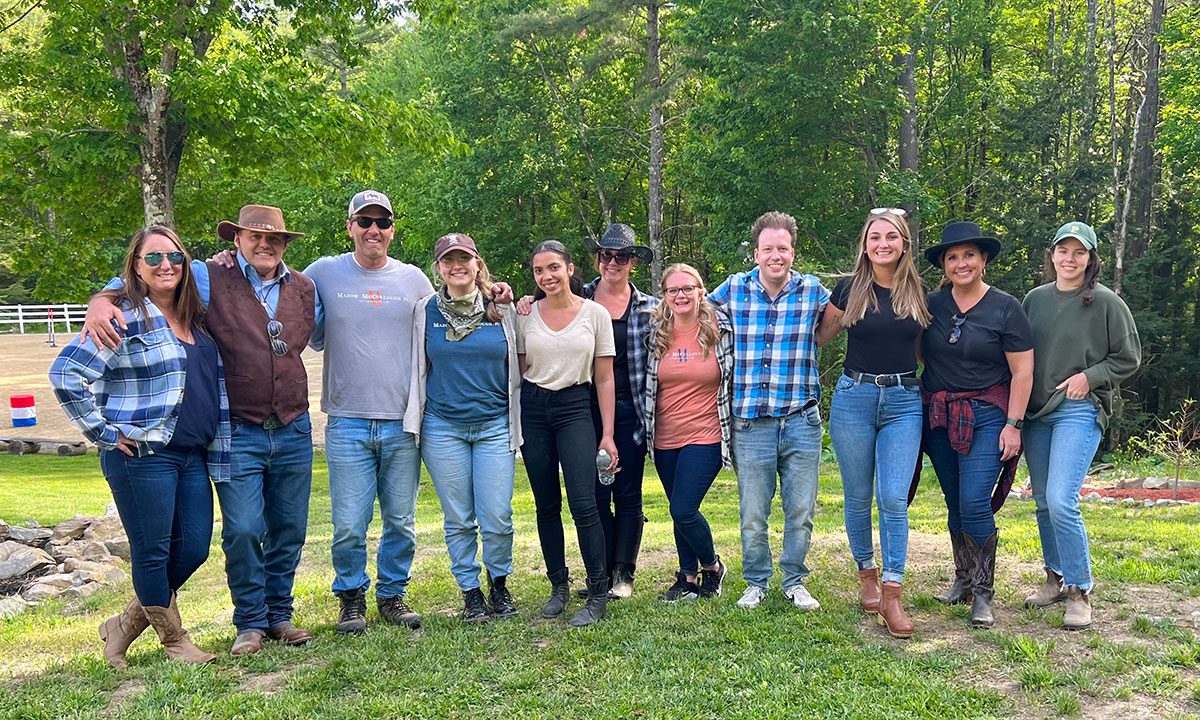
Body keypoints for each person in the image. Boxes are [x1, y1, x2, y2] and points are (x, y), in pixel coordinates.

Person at [83, 205, 320, 655]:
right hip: (239, 430)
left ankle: (279, 615)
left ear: (286, 243)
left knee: (289, 527)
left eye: (274, 237)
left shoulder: (306, 287)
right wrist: (102, 299)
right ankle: (249, 622)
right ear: (238, 240)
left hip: (294, 424)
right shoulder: (208, 275)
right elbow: (152, 270)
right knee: (245, 529)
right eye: (254, 236)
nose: (265, 244)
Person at [51, 226, 229, 666]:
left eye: (174, 256)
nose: (166, 265)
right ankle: (174, 642)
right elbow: (65, 375)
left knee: (193, 549)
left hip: (191, 454)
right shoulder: (122, 316)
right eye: (153, 258)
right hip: (141, 456)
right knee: (153, 550)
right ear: (136, 266)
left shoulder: (196, 318)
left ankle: (124, 624)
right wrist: (105, 433)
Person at [304, 190, 434, 633]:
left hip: (403, 421)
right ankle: (351, 597)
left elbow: (450, 321)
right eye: (365, 221)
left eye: (382, 221)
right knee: (348, 523)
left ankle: (392, 595)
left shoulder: (415, 280)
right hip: (347, 420)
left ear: (393, 229)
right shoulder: (323, 272)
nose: (373, 229)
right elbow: (271, 291)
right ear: (350, 227)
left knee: (401, 519)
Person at [1021, 221, 1141, 631]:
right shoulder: (1034, 300)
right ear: (1052, 255)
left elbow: (1128, 357)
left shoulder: (1106, 303)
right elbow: (1017, 355)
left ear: (1090, 259)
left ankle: (1079, 590)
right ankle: (1054, 578)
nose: (1069, 259)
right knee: (1041, 499)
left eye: (1079, 252)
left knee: (1060, 498)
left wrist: (1089, 376)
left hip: (1079, 407)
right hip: (1036, 413)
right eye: (1063, 250)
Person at [708, 211, 830, 612]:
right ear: (756, 252)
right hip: (751, 423)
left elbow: (848, 313)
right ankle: (756, 581)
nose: (775, 255)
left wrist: (817, 342)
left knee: (800, 510)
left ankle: (794, 580)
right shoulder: (732, 288)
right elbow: (689, 307)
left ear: (793, 250)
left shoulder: (813, 290)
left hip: (801, 420)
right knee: (753, 512)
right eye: (767, 248)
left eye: (783, 247)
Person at [816, 208, 929, 639]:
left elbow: (923, 352)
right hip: (854, 399)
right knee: (858, 495)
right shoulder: (849, 289)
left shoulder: (920, 292)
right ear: (865, 244)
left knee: (894, 498)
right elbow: (817, 337)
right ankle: (866, 571)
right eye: (875, 237)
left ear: (904, 243)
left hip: (904, 401)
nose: (883, 244)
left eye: (892, 237)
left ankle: (892, 592)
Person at [403, 233, 522, 623]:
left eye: (464, 259)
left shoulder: (502, 308)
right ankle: (471, 594)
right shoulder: (425, 311)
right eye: (448, 260)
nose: (457, 266)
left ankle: (499, 585)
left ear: (477, 264)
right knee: (458, 518)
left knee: (497, 515)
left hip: (494, 426)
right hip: (443, 428)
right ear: (438, 268)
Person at [920, 221, 1034, 629]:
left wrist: (1013, 425)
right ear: (944, 265)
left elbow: (1022, 373)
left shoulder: (1006, 307)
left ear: (983, 260)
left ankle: (984, 593)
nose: (961, 263)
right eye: (952, 257)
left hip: (987, 415)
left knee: (973, 500)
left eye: (969, 255)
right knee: (954, 501)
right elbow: (912, 349)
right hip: (939, 415)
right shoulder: (931, 304)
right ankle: (963, 579)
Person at [518, 240, 619, 627]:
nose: (547, 276)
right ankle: (558, 586)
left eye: (554, 268)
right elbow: (520, 369)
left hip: (576, 408)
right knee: (546, 505)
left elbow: (605, 377)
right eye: (539, 270)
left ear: (570, 269)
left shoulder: (595, 314)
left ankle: (597, 593)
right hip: (534, 409)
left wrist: (607, 434)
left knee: (585, 503)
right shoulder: (525, 314)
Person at [643, 263, 732, 602]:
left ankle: (712, 567)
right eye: (672, 290)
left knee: (683, 508)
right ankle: (688, 578)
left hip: (706, 434)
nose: (680, 295)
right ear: (664, 296)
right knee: (676, 504)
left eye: (687, 288)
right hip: (664, 436)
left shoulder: (720, 331)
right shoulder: (656, 334)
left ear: (700, 292)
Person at [580, 223, 657, 598]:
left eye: (621, 257)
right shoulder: (576, 299)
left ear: (632, 263)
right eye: (607, 255)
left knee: (627, 492)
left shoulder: (651, 308)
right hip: (582, 409)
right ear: (597, 259)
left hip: (631, 408)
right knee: (592, 493)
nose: (613, 262)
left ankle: (624, 573)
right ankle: (600, 570)